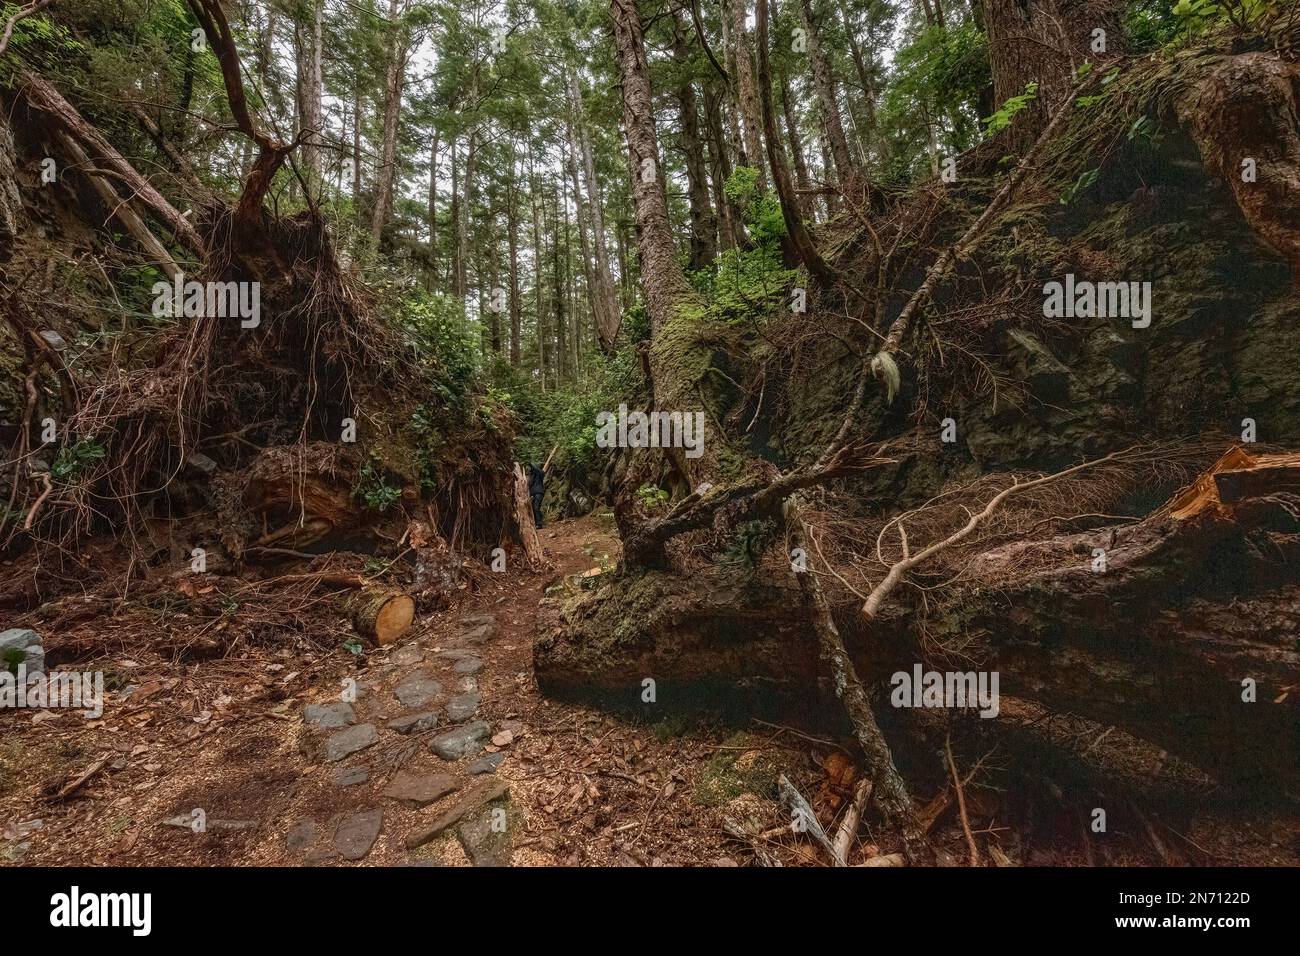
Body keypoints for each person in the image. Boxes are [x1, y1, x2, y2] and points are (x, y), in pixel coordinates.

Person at [527, 463, 545, 528]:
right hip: (533, 494)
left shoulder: (539, 474)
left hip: (538, 493)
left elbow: (541, 472)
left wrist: (531, 464)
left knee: (536, 507)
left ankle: (539, 524)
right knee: (533, 508)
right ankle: (536, 522)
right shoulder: (531, 476)